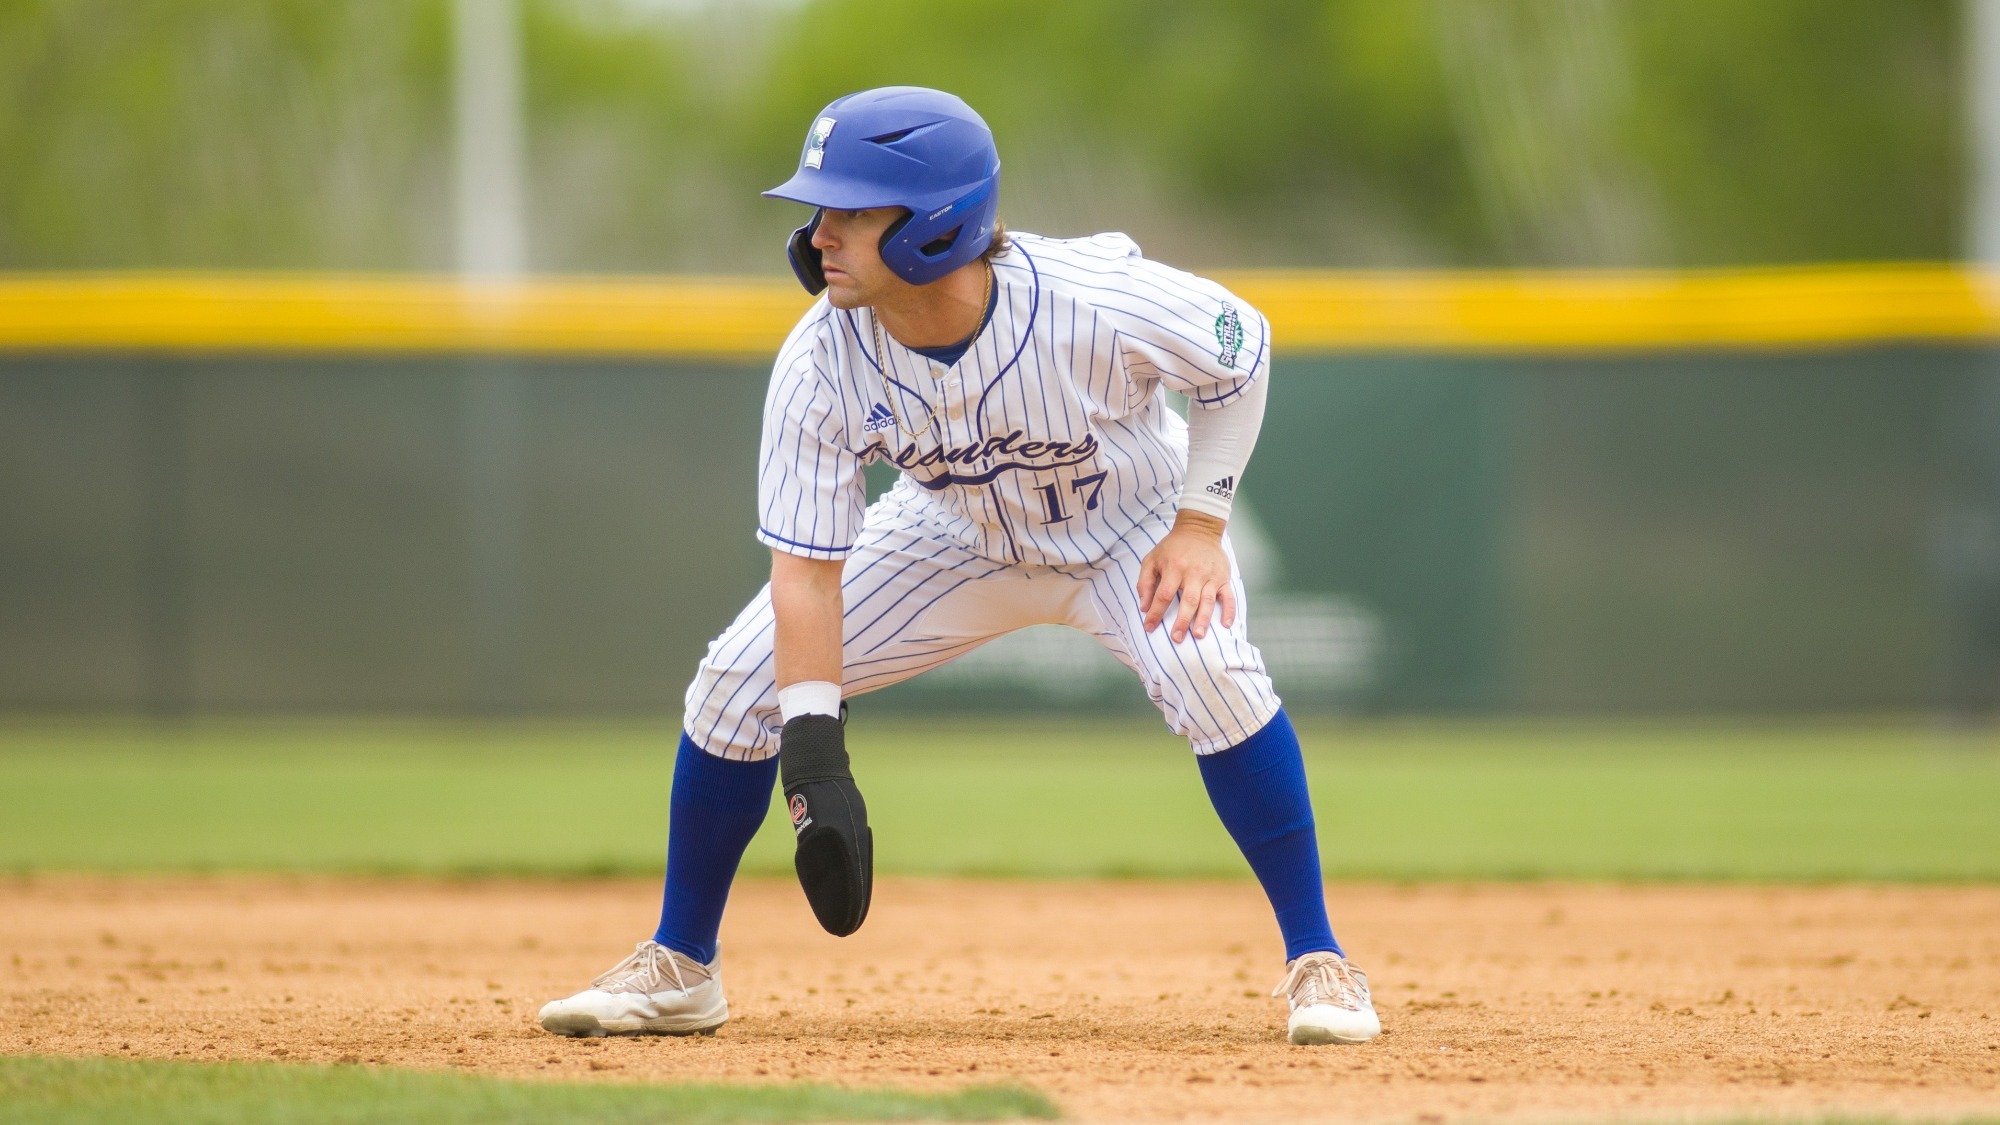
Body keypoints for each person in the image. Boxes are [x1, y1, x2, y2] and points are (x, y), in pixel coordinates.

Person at [536, 86, 1380, 1047]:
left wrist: (1200, 522)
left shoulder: (1089, 302)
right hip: (955, 536)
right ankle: (681, 963)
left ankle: (1320, 959)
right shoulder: (822, 359)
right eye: (819, 208)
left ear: (937, 225)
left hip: (1129, 527)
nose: (820, 233)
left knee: (1212, 673)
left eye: (850, 209)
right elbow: (806, 572)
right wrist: (818, 761)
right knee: (735, 686)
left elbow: (1243, 349)